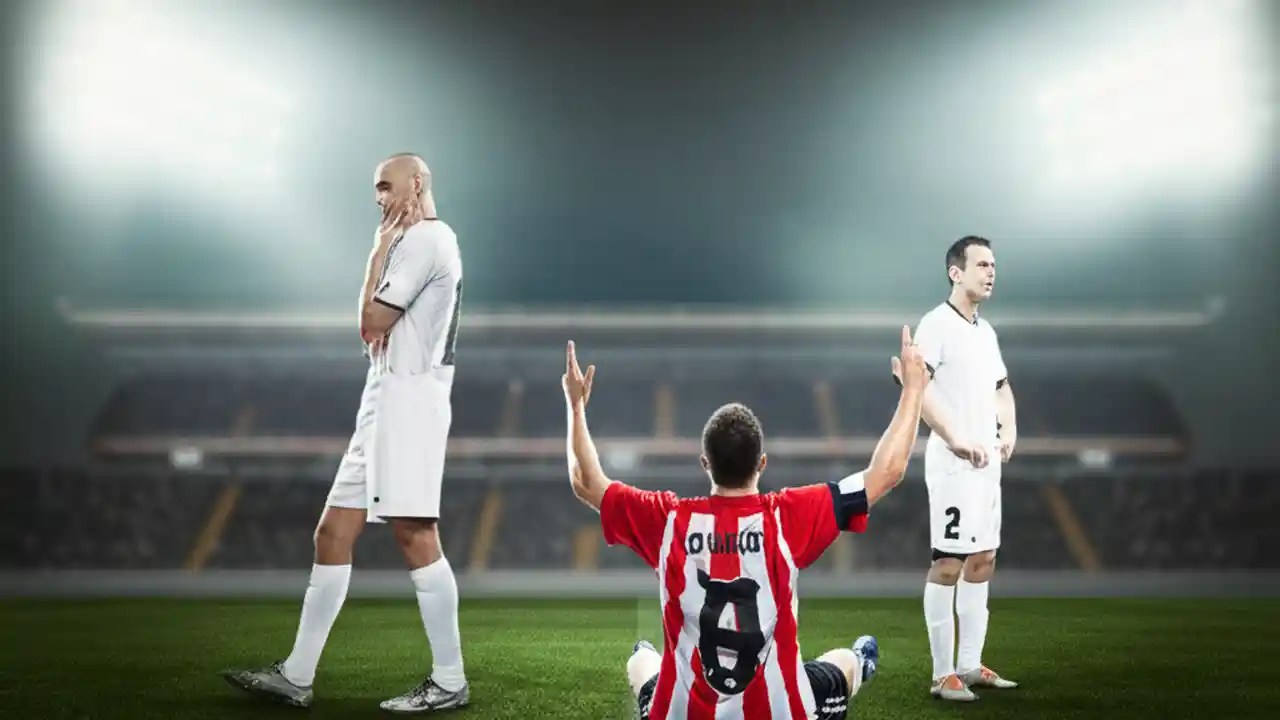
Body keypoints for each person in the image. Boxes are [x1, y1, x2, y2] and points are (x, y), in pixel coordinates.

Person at [561, 326, 930, 719]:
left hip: (680, 714)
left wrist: (575, 405)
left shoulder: (669, 520)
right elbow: (888, 471)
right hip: (781, 712)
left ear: (706, 464)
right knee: (841, 667)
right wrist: (913, 390)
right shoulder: (787, 517)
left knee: (641, 668)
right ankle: (860, 657)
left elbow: (585, 481)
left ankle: (646, 655)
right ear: (762, 463)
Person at [222, 153, 469, 712]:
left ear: (418, 183)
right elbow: (371, 339)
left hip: (410, 400)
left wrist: (377, 252)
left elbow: (369, 323)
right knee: (332, 533)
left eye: (385, 186)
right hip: (382, 398)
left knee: (414, 535)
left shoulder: (427, 240)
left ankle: (450, 680)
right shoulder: (414, 242)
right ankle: (296, 675)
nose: (378, 197)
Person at [913, 235, 1018, 702]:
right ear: (956, 272)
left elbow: (1002, 388)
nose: (991, 272)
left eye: (994, 265)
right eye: (981, 264)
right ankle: (941, 675)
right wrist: (956, 437)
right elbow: (918, 389)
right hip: (954, 464)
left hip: (987, 465)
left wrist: (1009, 427)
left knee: (984, 560)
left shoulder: (985, 332)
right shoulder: (936, 325)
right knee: (949, 562)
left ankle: (970, 665)